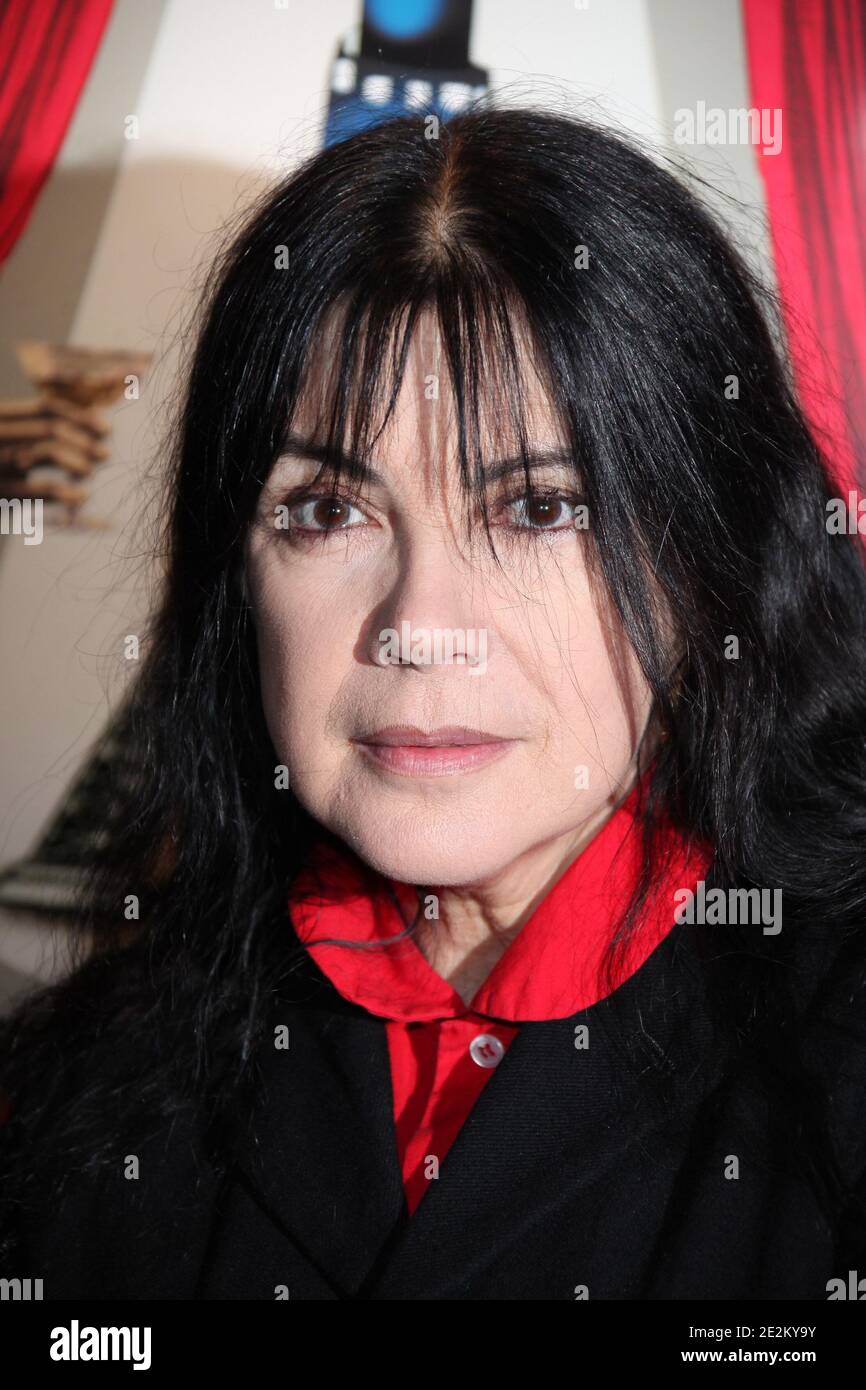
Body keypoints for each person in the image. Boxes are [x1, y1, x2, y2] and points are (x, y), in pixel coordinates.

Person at [1, 105, 865, 1301]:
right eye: (327, 511)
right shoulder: (82, 1092)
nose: (420, 621)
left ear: (702, 560)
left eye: (537, 508)